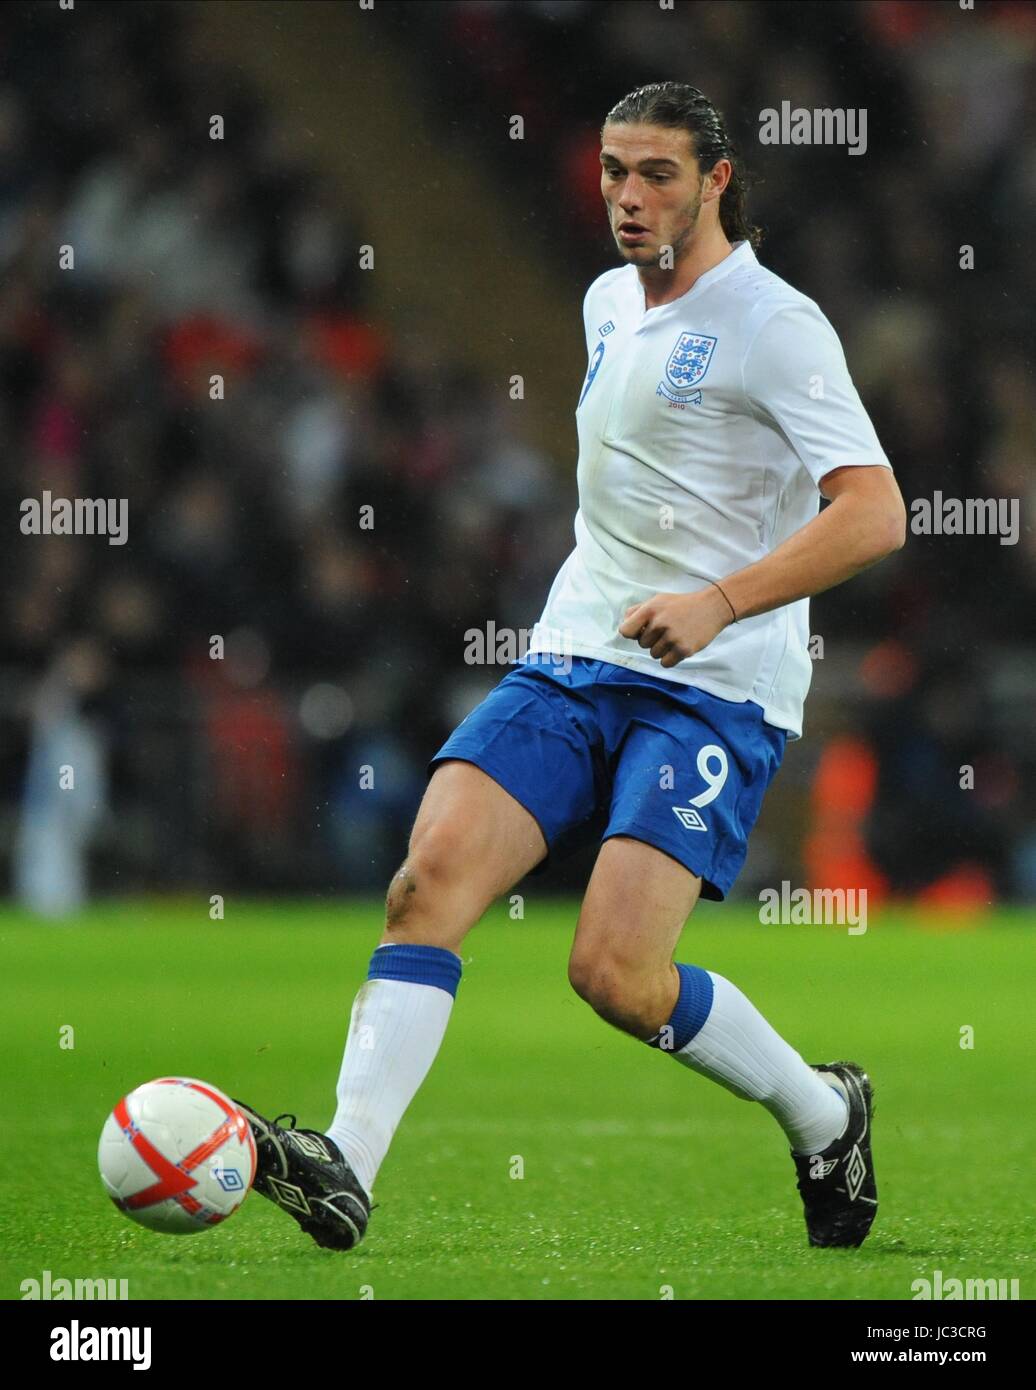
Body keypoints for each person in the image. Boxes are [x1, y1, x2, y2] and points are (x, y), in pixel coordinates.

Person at [237, 82, 906, 1253]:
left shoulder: (776, 323)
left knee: (613, 971)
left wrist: (719, 600)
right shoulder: (606, 302)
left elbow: (877, 512)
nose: (628, 198)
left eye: (655, 174)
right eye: (610, 171)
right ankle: (348, 1161)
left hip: (715, 680)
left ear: (716, 182)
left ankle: (820, 1109)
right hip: (573, 653)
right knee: (425, 884)